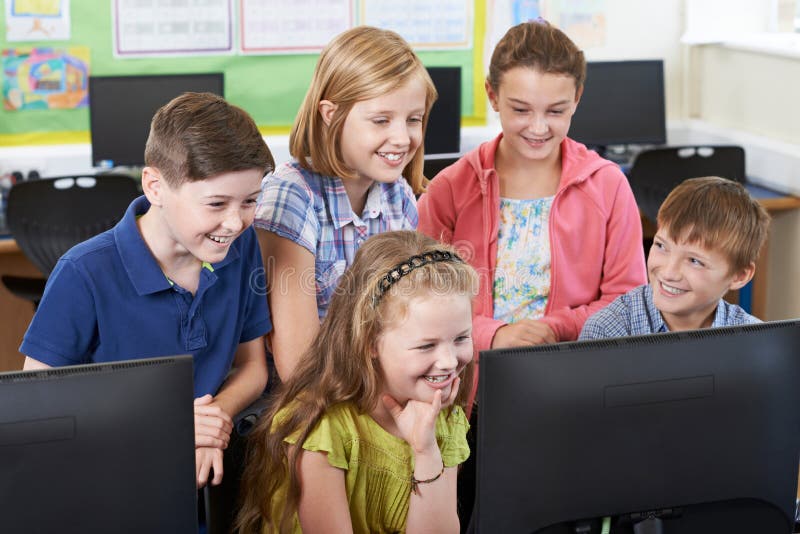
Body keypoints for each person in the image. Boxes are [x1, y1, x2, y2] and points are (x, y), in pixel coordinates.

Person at [20, 92, 275, 488]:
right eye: (216, 203)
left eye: (250, 201)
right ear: (155, 186)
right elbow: (37, 405)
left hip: (205, 475)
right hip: (112, 477)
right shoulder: (83, 271)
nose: (234, 222)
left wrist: (211, 422)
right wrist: (173, 425)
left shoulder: (241, 248)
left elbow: (252, 367)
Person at [417, 19, 646, 402]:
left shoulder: (607, 185)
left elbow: (628, 301)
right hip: (465, 392)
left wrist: (556, 328)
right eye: (521, 109)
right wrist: (494, 334)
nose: (538, 127)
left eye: (556, 111)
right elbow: (415, 301)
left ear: (577, 98)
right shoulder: (451, 189)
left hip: (574, 388)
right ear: (492, 95)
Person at [235, 230, 476, 534]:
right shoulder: (321, 428)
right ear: (370, 343)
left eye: (461, 338)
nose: (449, 362)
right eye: (426, 346)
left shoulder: (443, 417)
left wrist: (426, 451)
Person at [254, 26, 437, 381]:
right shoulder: (293, 198)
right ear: (330, 114)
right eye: (381, 120)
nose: (402, 138)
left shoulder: (398, 195)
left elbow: (409, 323)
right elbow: (298, 366)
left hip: (378, 386)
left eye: (413, 119)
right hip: (313, 404)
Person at [580, 176, 770, 339]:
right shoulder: (605, 332)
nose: (669, 272)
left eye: (694, 261)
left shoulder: (755, 341)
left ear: (739, 276)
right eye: (661, 246)